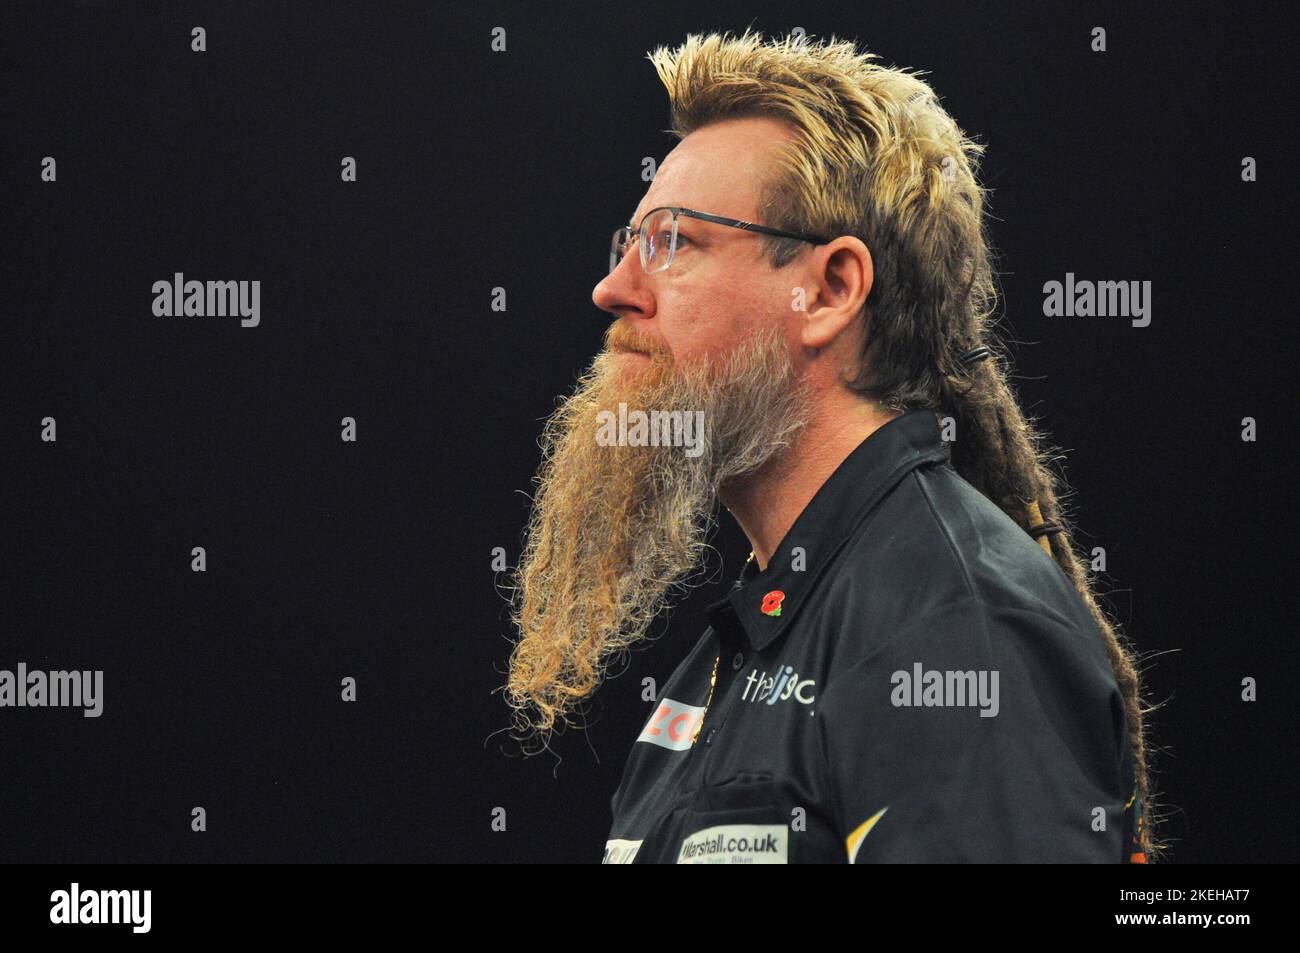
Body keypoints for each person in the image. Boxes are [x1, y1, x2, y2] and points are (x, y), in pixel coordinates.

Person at [504, 29, 1159, 863]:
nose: (615, 287)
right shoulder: (745, 642)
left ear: (831, 290)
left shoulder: (953, 629)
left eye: (673, 241)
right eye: (626, 244)